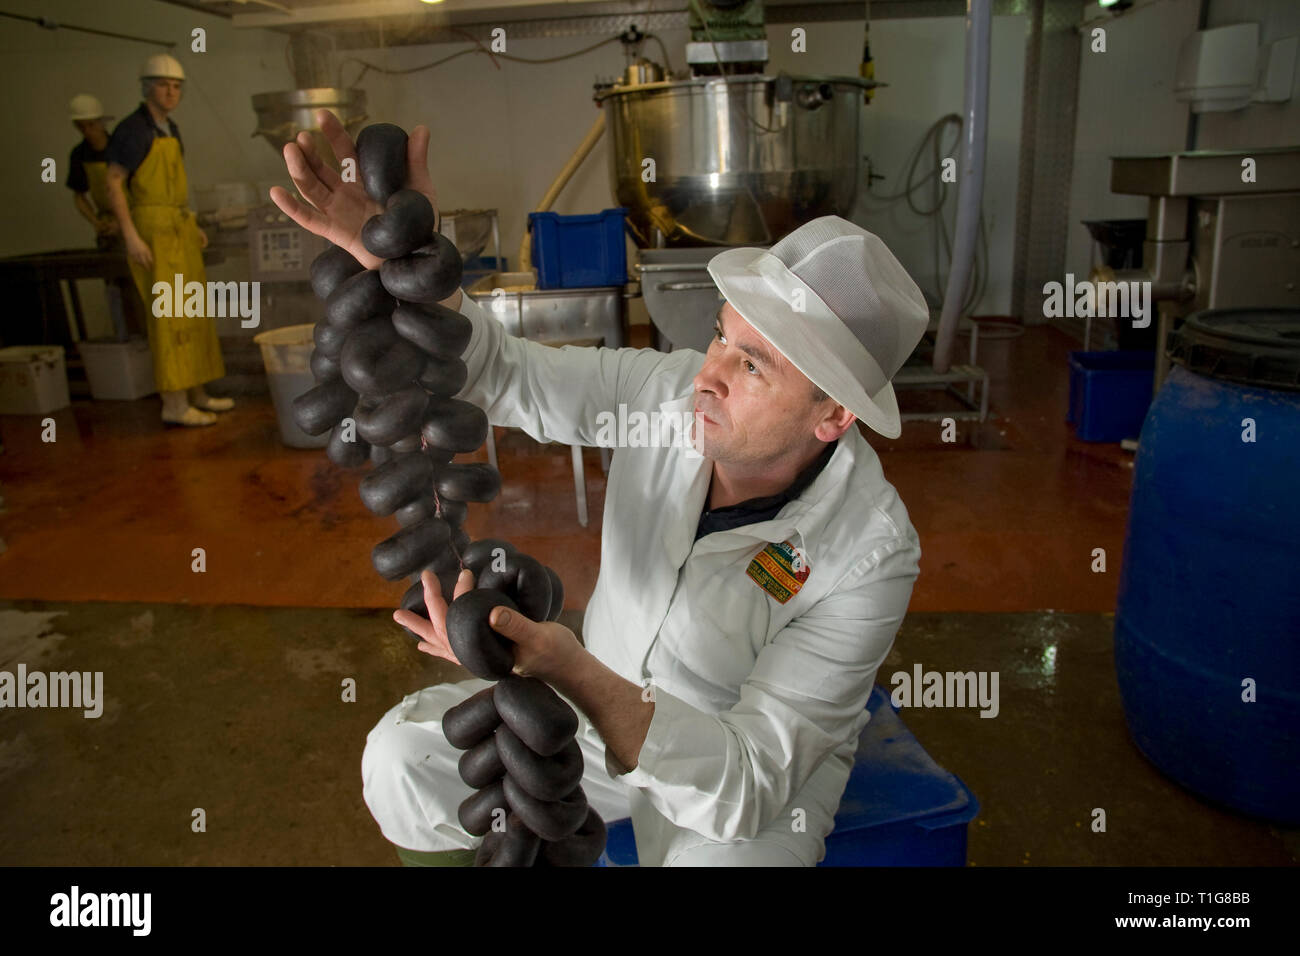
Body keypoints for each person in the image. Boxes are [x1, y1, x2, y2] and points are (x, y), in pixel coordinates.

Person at [272, 111, 930, 866]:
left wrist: (564, 664)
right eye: (721, 333)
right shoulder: (667, 396)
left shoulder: (868, 553)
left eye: (754, 365)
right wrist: (403, 268)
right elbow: (509, 375)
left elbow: (750, 778)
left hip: (730, 767)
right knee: (400, 765)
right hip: (590, 706)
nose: (707, 375)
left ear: (834, 413)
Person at [104, 54, 233, 427]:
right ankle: (173, 404)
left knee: (192, 312)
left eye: (177, 86)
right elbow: (114, 183)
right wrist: (130, 237)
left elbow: (175, 185)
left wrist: (190, 223)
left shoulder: (169, 128)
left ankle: (198, 393)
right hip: (151, 231)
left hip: (178, 227)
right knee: (168, 316)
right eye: (163, 85)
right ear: (147, 87)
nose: (171, 91)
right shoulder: (132, 130)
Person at [66, 95, 119, 249]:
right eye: (81, 127)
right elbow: (79, 196)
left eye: (91, 125)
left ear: (101, 122)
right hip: (107, 225)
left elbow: (140, 191)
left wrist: (122, 221)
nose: (87, 131)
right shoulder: (79, 154)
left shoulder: (121, 148)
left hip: (132, 221)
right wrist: (96, 222)